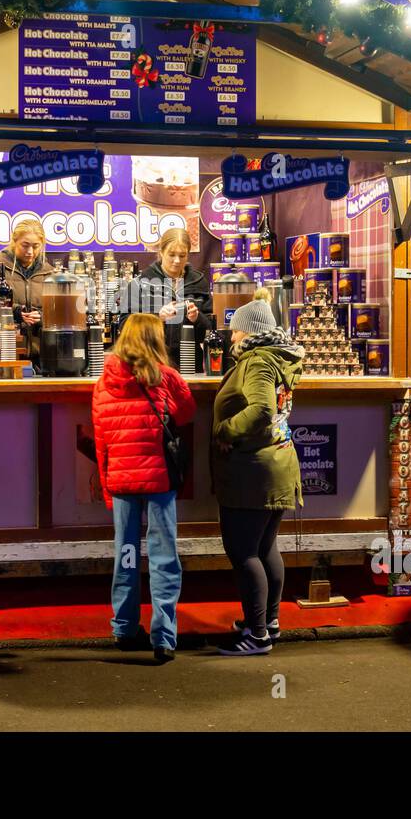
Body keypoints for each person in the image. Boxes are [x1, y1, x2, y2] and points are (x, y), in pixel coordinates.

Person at [92, 313, 196, 664]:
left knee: (126, 554)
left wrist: (107, 488)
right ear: (156, 340)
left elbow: (101, 441)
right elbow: (186, 413)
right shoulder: (165, 376)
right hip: (159, 480)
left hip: (121, 481)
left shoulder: (104, 379)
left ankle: (123, 628)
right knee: (164, 556)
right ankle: (163, 637)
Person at [211, 290, 304, 656]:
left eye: (236, 331)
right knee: (265, 547)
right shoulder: (279, 358)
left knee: (243, 551)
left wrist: (224, 430)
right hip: (277, 462)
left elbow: (262, 410)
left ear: (249, 332)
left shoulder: (258, 362)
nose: (232, 337)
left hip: (254, 469)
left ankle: (257, 635)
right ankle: (267, 621)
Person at [137, 227, 214, 369]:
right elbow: (126, 326)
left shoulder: (199, 281)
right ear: (161, 252)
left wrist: (197, 319)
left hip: (191, 364)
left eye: (182, 255)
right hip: (153, 365)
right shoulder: (143, 281)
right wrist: (157, 316)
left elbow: (212, 328)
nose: (177, 261)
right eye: (171, 255)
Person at [0, 219, 54, 364]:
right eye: (25, 245)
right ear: (14, 242)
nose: (30, 252)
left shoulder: (49, 273)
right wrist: (15, 312)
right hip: (6, 353)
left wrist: (41, 316)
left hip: (41, 353)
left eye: (36, 246)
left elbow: (57, 312)